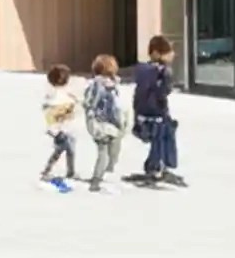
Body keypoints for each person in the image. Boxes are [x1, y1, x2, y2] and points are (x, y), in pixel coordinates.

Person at [132, 35, 186, 187]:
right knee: (162, 138)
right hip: (155, 112)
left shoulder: (144, 70)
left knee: (161, 138)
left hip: (147, 112)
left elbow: (140, 95)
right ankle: (157, 166)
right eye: (167, 52)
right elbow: (162, 92)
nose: (171, 56)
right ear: (156, 53)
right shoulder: (157, 72)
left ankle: (156, 165)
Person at [83, 54, 125, 193]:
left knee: (109, 151)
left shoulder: (112, 85)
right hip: (101, 123)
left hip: (106, 123)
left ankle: (103, 173)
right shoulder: (98, 85)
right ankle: (96, 180)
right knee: (104, 151)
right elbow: (90, 103)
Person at [40, 64, 79, 186]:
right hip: (63, 129)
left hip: (64, 129)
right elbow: (55, 113)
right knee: (66, 151)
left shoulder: (58, 95)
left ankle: (65, 170)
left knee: (64, 151)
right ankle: (66, 171)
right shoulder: (58, 96)